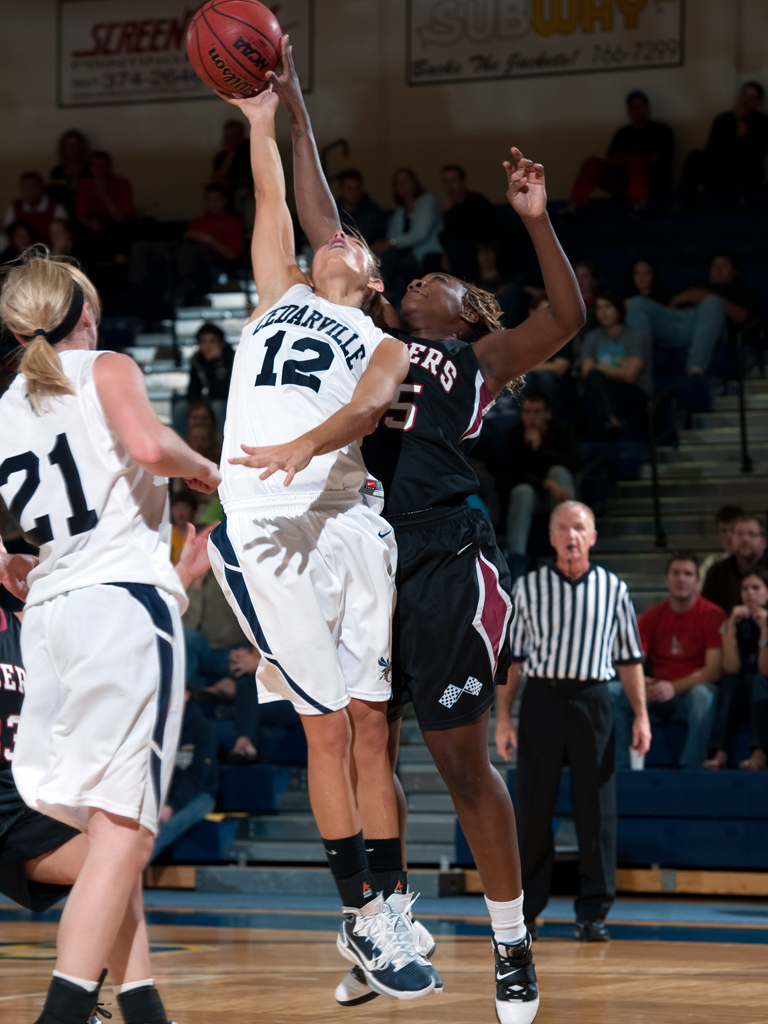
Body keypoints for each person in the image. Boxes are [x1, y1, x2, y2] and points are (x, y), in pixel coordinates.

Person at [272, 35, 585, 1021]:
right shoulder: (371, 334)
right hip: (369, 553)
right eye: (414, 281)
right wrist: (292, 105)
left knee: (457, 760)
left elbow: (567, 315)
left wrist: (536, 219)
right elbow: (322, 219)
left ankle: (510, 945)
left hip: (448, 554)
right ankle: (393, 930)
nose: (418, 282)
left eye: (437, 283)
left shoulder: (473, 361)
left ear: (464, 309)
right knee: (370, 739)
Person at [205, 80, 437, 1001]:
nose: (337, 238)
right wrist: (262, 121)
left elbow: (375, 405)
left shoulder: (381, 340)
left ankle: (392, 903)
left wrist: (307, 440)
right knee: (328, 725)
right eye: (330, 236)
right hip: (269, 530)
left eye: (357, 241)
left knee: (373, 724)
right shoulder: (278, 295)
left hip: (350, 523)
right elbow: (273, 200)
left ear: (373, 278)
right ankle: (360, 919)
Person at [0, 252, 220, 1024]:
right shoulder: (105, 366)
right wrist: (207, 470)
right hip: (119, 609)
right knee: (126, 833)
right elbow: (155, 449)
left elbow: (16, 540)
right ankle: (63, 1016)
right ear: (85, 311)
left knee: (104, 830)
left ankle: (140, 1007)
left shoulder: (5, 405)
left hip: (50, 622)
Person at [0, 525, 213, 914]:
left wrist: (180, 577)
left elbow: (117, 639)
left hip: (24, 801)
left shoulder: (30, 620)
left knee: (114, 859)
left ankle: (103, 977)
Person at [496, 501, 651, 942]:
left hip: (593, 700)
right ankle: (526, 913)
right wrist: (504, 718)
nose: (572, 535)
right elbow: (515, 660)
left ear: (593, 536)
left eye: (580, 527)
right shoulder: (527, 589)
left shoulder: (614, 588)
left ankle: (593, 912)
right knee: (532, 809)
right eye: (563, 527)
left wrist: (641, 716)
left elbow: (630, 658)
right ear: (550, 536)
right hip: (543, 698)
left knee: (597, 810)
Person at [611, 553, 725, 769]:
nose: (681, 579)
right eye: (676, 573)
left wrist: (673, 687)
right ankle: (622, 767)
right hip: (655, 691)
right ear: (666, 579)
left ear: (697, 581)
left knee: (704, 695)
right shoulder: (653, 616)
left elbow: (714, 670)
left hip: (689, 692)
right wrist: (640, 680)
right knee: (609, 692)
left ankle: (691, 767)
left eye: (688, 574)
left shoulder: (712, 614)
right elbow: (633, 661)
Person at [626, 251, 758, 376]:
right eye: (714, 265)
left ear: (735, 271)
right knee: (637, 303)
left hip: (711, 328)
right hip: (682, 322)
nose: (718, 269)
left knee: (713, 302)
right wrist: (681, 298)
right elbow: (668, 311)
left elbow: (744, 318)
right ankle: (641, 371)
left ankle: (695, 369)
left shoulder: (742, 293)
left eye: (724, 265)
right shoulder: (699, 286)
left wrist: (711, 297)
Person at [504, 390, 580, 576]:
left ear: (548, 414)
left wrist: (540, 449)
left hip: (560, 495)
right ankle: (516, 562)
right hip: (530, 499)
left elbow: (574, 464)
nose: (532, 417)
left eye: (537, 412)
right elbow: (512, 474)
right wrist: (546, 484)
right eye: (527, 412)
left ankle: (569, 550)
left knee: (559, 471)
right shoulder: (514, 434)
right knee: (523, 491)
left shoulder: (562, 430)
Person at [704, 571, 768, 771]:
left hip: (762, 686)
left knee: (757, 680)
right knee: (730, 680)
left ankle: (760, 752)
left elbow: (765, 670)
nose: (750, 593)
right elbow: (731, 668)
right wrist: (730, 627)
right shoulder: (734, 620)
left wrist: (765, 628)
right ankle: (720, 752)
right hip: (741, 689)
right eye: (745, 588)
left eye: (756, 588)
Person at [568, 90, 674, 212]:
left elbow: (657, 159)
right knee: (592, 162)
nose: (636, 110)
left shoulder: (661, 130)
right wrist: (625, 161)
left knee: (636, 159)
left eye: (640, 106)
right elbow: (610, 159)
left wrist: (629, 159)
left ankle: (639, 203)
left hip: (653, 182)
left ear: (648, 108)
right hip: (623, 181)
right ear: (628, 111)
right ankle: (575, 205)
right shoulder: (623, 134)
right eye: (633, 107)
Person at [150, 689, 219, 862]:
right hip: (165, 795)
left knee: (160, 832)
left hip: (200, 794)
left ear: (186, 694)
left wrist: (171, 806)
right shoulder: (157, 727)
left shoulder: (203, 728)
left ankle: (120, 884)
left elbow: (198, 776)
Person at [677, 82, 768, 206]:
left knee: (745, 159)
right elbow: (711, 151)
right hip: (721, 173)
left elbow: (754, 154)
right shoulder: (723, 119)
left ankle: (741, 202)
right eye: (744, 95)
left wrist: (741, 120)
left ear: (758, 101)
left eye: (752, 97)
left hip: (747, 177)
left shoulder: (762, 122)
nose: (746, 101)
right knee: (695, 157)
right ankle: (681, 203)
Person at [580, 291, 652, 439]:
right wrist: (619, 369)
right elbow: (586, 371)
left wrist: (598, 366)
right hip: (604, 388)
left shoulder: (636, 336)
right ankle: (609, 418)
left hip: (633, 391)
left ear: (619, 309)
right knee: (592, 388)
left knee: (595, 389)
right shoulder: (592, 337)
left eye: (608, 307)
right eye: (599, 308)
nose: (603, 312)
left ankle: (608, 421)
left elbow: (630, 376)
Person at [374, 168, 443, 302]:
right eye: (398, 182)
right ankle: (385, 297)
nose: (402, 184)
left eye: (406, 180)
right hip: (405, 257)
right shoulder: (399, 213)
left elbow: (419, 234)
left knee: (397, 264)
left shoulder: (428, 200)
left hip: (426, 256)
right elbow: (391, 238)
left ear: (415, 182)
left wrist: (391, 243)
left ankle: (379, 292)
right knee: (388, 258)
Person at [177, 186, 245, 303]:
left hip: (217, 266)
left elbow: (232, 255)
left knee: (202, 250)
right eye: (208, 200)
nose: (212, 203)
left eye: (216, 199)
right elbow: (182, 246)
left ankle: (190, 290)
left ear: (225, 201)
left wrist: (208, 240)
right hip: (190, 265)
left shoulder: (233, 222)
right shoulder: (197, 222)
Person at [172, 323, 235, 435]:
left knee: (218, 406)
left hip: (230, 401)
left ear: (221, 342)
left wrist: (210, 364)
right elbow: (193, 389)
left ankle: (222, 446)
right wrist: (198, 405)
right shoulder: (198, 360)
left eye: (212, 341)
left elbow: (224, 392)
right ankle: (179, 448)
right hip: (209, 398)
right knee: (181, 407)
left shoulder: (232, 358)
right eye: (203, 342)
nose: (208, 346)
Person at [440, 164, 498, 279]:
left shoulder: (477, 202)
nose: (450, 186)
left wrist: (450, 212)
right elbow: (446, 235)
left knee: (456, 245)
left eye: (454, 181)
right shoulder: (450, 208)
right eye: (446, 182)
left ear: (463, 182)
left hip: (483, 248)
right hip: (460, 251)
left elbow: (472, 232)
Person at [703, 515, 768, 615]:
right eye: (739, 534)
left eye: (751, 534)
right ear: (731, 540)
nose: (745, 539)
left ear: (764, 541)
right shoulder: (717, 572)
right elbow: (707, 612)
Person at [74, 151, 136, 235]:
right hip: (93, 228)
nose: (99, 168)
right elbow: (80, 215)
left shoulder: (121, 183)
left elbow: (121, 218)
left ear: (109, 167)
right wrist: (90, 224)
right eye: (95, 165)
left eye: (103, 165)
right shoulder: (84, 185)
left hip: (121, 228)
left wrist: (104, 195)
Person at [2, 173, 69, 247]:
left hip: (49, 251)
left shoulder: (56, 207)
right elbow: (7, 232)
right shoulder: (15, 206)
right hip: (22, 251)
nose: (29, 191)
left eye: (33, 187)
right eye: (25, 188)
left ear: (41, 187)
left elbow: (64, 234)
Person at [335, 169, 387, 246]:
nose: (354, 192)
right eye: (349, 188)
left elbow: (380, 239)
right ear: (341, 189)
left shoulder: (372, 211)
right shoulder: (332, 211)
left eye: (357, 188)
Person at [700, 505, 744, 584]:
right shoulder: (711, 563)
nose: (728, 536)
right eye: (723, 531)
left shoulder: (757, 562)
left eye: (733, 529)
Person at [49, 130, 91, 211]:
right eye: (68, 145)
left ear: (81, 146)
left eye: (75, 145)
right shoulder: (57, 172)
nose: (72, 148)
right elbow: (53, 196)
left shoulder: (90, 169)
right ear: (63, 148)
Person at [211, 118, 253, 195]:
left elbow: (253, 180)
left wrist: (231, 183)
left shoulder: (252, 152)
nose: (231, 140)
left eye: (235, 137)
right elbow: (216, 180)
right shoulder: (221, 156)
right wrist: (230, 155)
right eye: (228, 137)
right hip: (225, 195)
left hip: (246, 193)